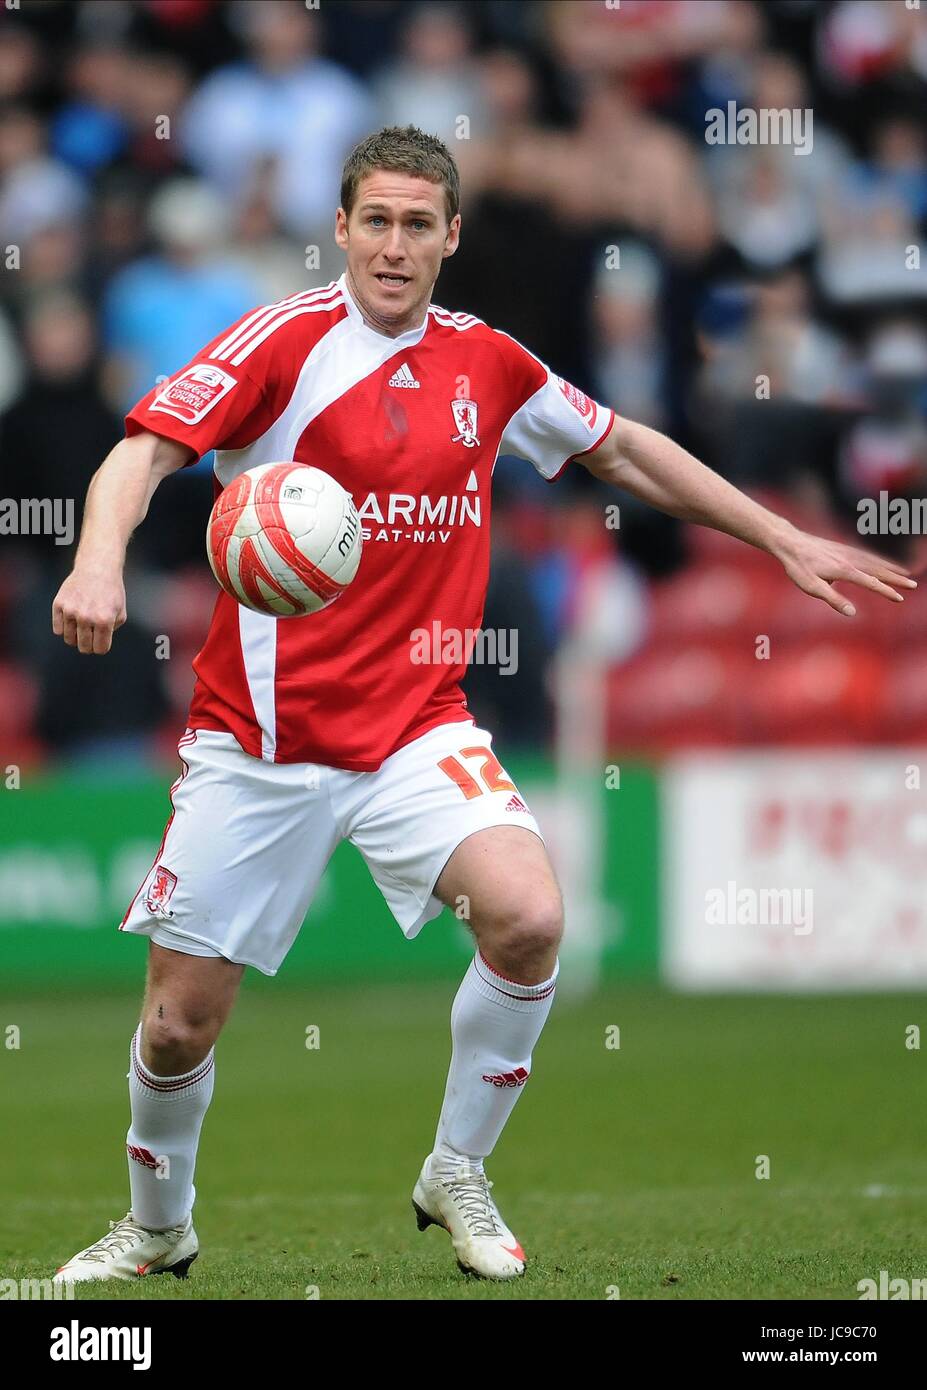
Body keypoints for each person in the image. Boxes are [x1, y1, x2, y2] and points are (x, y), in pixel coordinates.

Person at [50, 125, 914, 1285]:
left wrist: (776, 532)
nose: (395, 246)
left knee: (529, 917)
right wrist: (97, 558)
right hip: (259, 738)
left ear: (451, 236)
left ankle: (456, 1166)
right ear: (343, 228)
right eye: (376, 222)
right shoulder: (284, 341)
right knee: (176, 1025)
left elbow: (624, 450)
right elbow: (143, 453)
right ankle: (159, 1228)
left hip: (417, 725)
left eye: (419, 224)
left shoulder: (488, 364)